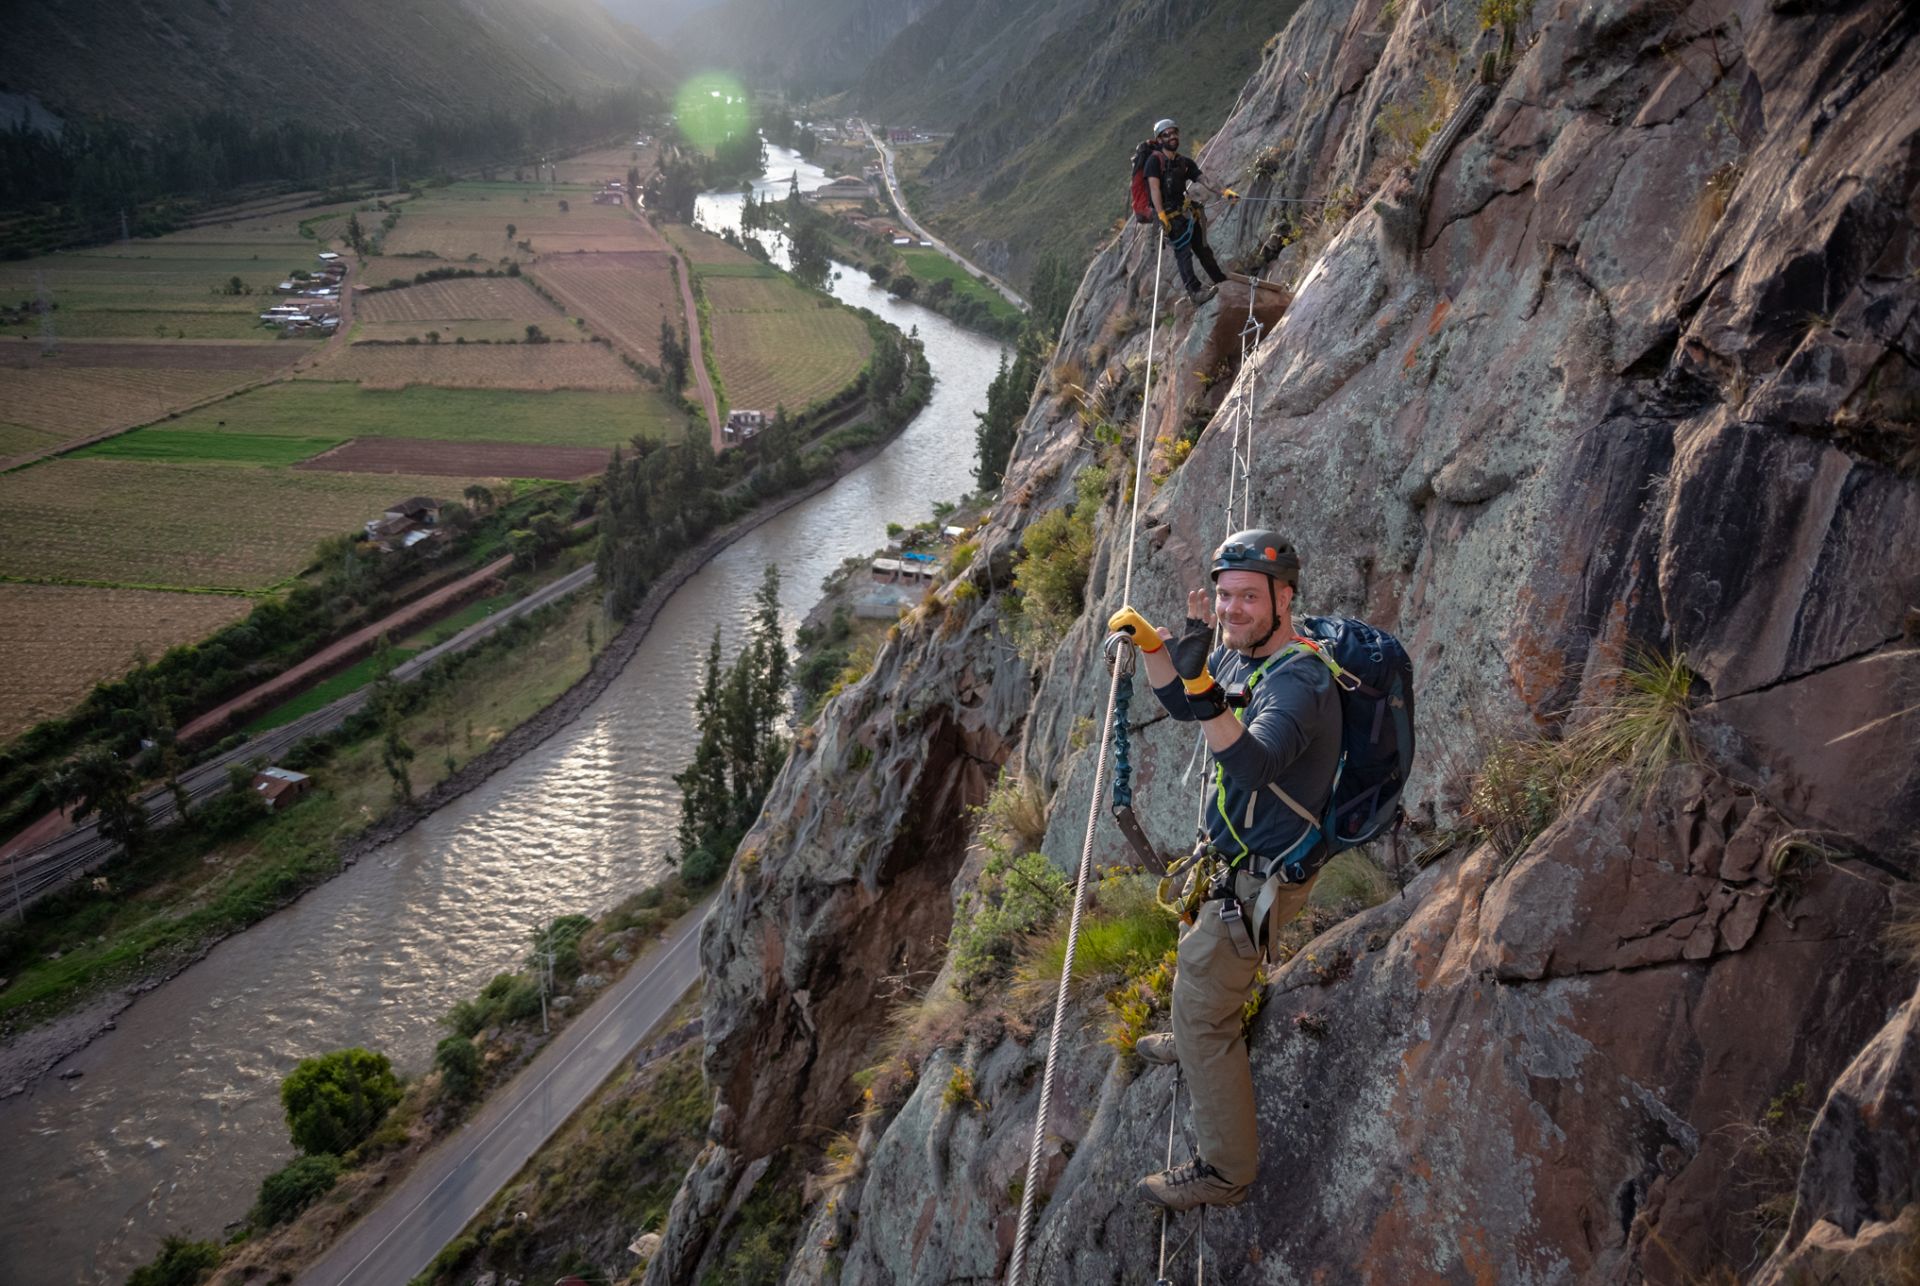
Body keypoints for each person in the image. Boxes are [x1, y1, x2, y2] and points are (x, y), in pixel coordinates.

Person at [1106, 531, 1341, 1211]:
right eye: (1224, 596)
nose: (1231, 609)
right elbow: (1188, 705)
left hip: (1261, 877)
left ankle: (1226, 1172)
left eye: (1247, 596)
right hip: (1236, 867)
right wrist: (1157, 649)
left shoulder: (1299, 680)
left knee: (1206, 1015)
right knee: (1199, 970)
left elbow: (1255, 763)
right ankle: (1194, 1027)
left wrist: (1204, 685)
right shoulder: (1248, 657)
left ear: (1284, 597)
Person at [1144, 118, 1237, 306]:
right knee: (1183, 253)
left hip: (1185, 212)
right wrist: (1161, 215)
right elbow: (1154, 189)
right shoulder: (1154, 162)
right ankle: (1194, 292)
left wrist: (1225, 192)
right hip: (1169, 216)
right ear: (1159, 139)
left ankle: (1218, 278)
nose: (1172, 137)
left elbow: (1204, 180)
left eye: (1174, 133)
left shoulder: (1183, 162)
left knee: (1203, 249)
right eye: (1166, 134)